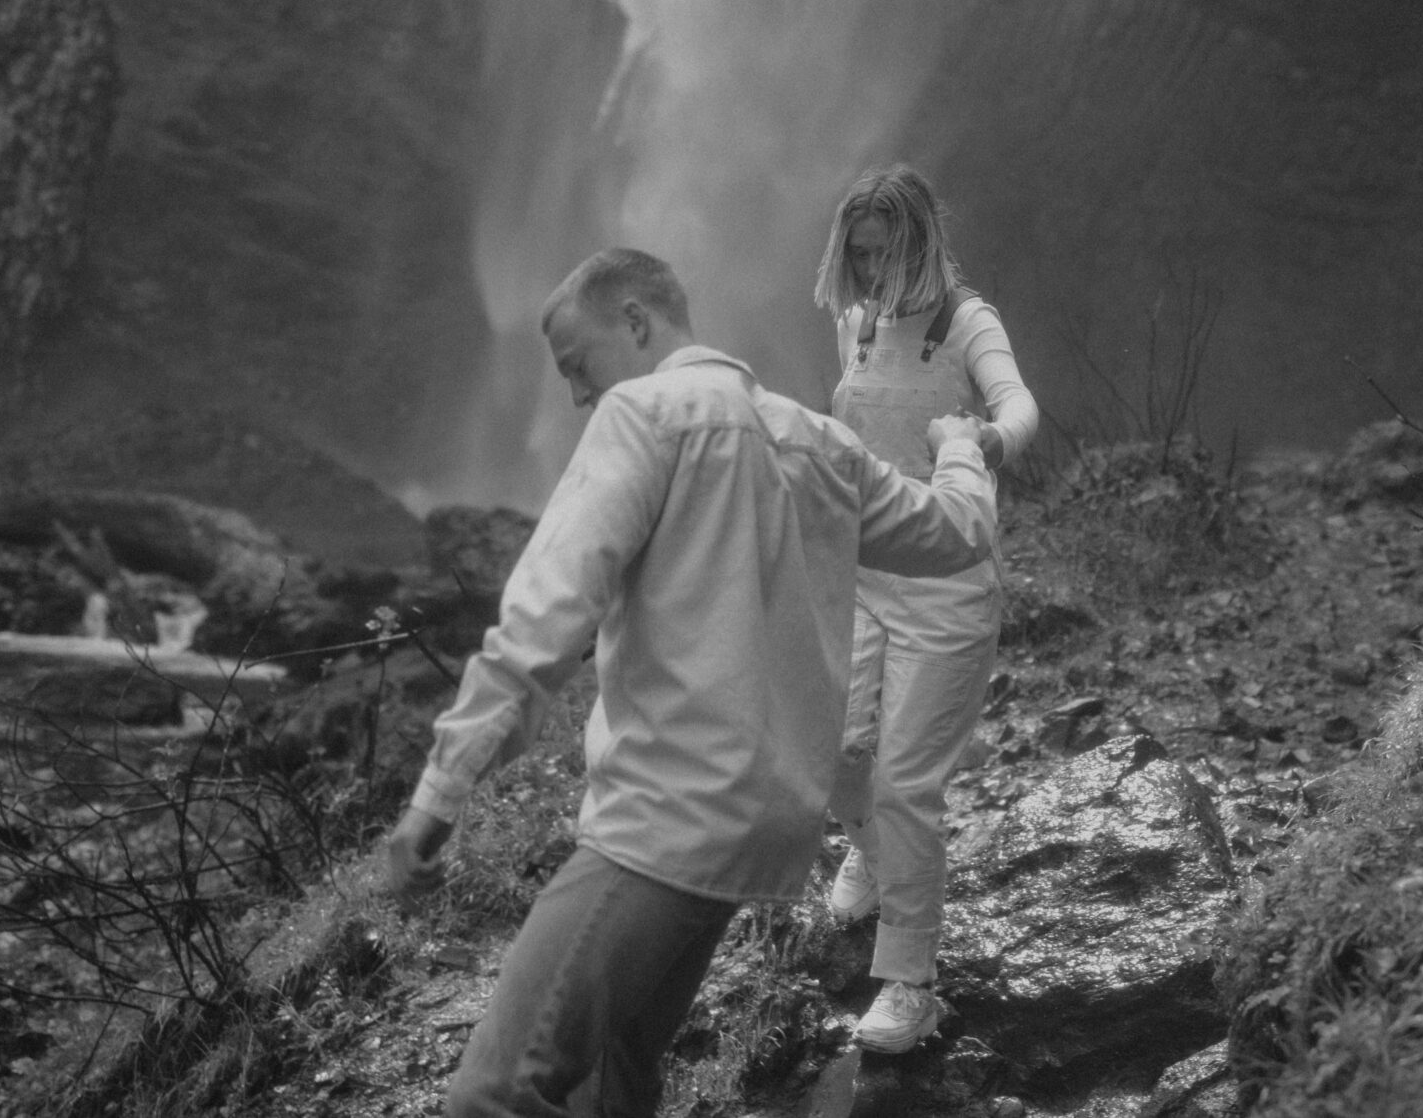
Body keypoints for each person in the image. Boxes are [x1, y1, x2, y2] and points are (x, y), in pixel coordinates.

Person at [385, 247, 998, 1117]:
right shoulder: (822, 442)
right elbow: (955, 531)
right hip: (758, 832)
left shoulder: (646, 413)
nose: (575, 396)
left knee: (493, 1091)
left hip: (661, 823)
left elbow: (550, 608)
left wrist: (440, 791)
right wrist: (960, 448)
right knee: (616, 1076)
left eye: (576, 366)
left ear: (636, 321)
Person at [812, 164, 1039, 1053]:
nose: (868, 274)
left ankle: (911, 981)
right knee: (828, 743)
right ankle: (872, 855)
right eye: (856, 256)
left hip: (946, 580)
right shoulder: (856, 323)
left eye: (880, 254)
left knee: (908, 780)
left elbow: (1020, 403)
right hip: (867, 569)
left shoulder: (964, 321)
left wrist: (987, 436)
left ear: (915, 243)